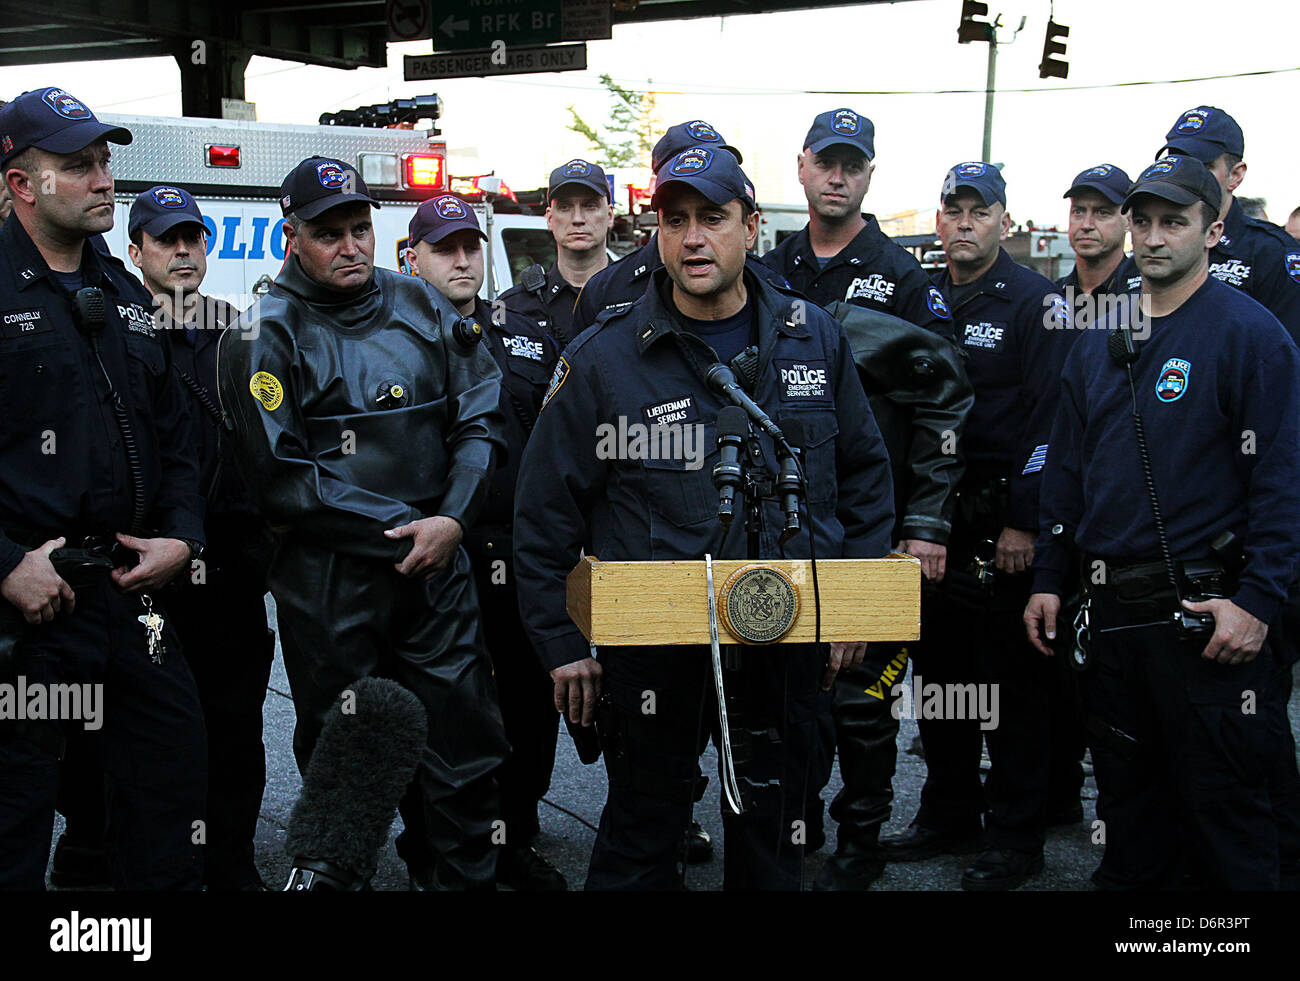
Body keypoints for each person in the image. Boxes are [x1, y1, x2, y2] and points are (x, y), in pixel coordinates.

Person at [513, 146, 896, 890]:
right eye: (675, 219)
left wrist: (854, 605)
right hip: (655, 646)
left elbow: (866, 475)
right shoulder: (604, 358)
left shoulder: (812, 335)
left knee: (773, 836)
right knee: (641, 834)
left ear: (751, 226)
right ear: (655, 233)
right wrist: (564, 646)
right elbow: (543, 515)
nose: (693, 237)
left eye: (713, 218)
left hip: (787, 638)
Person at [217, 156, 510, 891]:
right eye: (327, 233)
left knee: (464, 755)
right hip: (331, 585)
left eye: (359, 228)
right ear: (291, 237)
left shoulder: (423, 305)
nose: (349, 246)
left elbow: (480, 417)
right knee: (344, 760)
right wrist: (411, 525)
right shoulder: (261, 335)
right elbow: (284, 478)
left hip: (438, 570)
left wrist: (449, 519)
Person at [1025, 155, 1300, 890]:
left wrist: (1259, 602)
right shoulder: (1097, 337)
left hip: (1208, 623)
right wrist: (1050, 578)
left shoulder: (1253, 335)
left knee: (1230, 825)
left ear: (1213, 231)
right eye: (1141, 220)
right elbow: (1067, 469)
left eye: (1172, 221)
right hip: (1113, 619)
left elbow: (1283, 481)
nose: (1152, 236)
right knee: (1131, 819)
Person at [0, 87, 207, 890]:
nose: (101, 178)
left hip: (127, 596)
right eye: (77, 164)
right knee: (16, 817)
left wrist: (182, 535)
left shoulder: (125, 296)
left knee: (170, 792)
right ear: (23, 184)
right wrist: (7, 561)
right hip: (29, 611)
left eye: (104, 160)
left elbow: (178, 439)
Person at [879, 162, 1075, 891]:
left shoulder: (1036, 301)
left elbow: (1053, 420)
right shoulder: (919, 295)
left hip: (1001, 523)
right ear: (938, 220)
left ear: (1003, 221)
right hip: (932, 522)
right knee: (939, 677)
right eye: (952, 209)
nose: (963, 223)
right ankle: (949, 810)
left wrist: (1026, 522)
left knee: (1013, 689)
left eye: (978, 211)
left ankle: (1016, 836)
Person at [404, 194, 565, 891]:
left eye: (471, 243)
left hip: (521, 554)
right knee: (442, 715)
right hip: (438, 559)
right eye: (444, 247)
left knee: (528, 711)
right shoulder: (393, 339)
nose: (462, 257)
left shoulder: (525, 333)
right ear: (412, 258)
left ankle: (513, 840)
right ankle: (431, 849)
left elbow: (561, 441)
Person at [1160, 106, 1300, 890]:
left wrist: (1266, 577)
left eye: (1205, 159)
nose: (1191, 166)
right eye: (1176, 154)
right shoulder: (1157, 261)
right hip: (1177, 537)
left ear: (1235, 175)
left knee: (1252, 731)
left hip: (1254, 535)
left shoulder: (1272, 260)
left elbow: (1282, 423)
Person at [125, 185, 275, 890]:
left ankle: (232, 861)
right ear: (137, 253)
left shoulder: (240, 332)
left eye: (192, 238)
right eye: (165, 239)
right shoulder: (121, 334)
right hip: (151, 570)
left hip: (233, 565)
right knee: (152, 734)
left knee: (236, 726)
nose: (183, 250)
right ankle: (147, 863)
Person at [572, 120, 787, 333]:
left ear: (750, 227)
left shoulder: (771, 285)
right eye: (687, 162)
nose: (701, 168)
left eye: (718, 161)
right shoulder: (606, 289)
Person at [761, 107, 952, 335]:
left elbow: (941, 360)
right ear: (802, 168)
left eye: (853, 167)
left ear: (869, 176)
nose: (837, 179)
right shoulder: (773, 268)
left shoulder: (902, 274)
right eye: (825, 163)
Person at [1157, 106, 1300, 342]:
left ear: (1235, 175)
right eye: (1179, 163)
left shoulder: (1272, 255)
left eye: (1204, 167)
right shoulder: (1148, 251)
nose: (1188, 176)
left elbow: (1287, 361)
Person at [498, 159, 612, 350]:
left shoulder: (643, 298)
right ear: (550, 219)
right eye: (565, 207)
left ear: (610, 216)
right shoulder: (506, 306)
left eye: (590, 206)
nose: (577, 219)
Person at [1056, 164, 1141, 314]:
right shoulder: (1052, 296)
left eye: (1102, 212)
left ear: (1129, 220)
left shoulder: (1146, 296)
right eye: (1078, 211)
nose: (1086, 225)